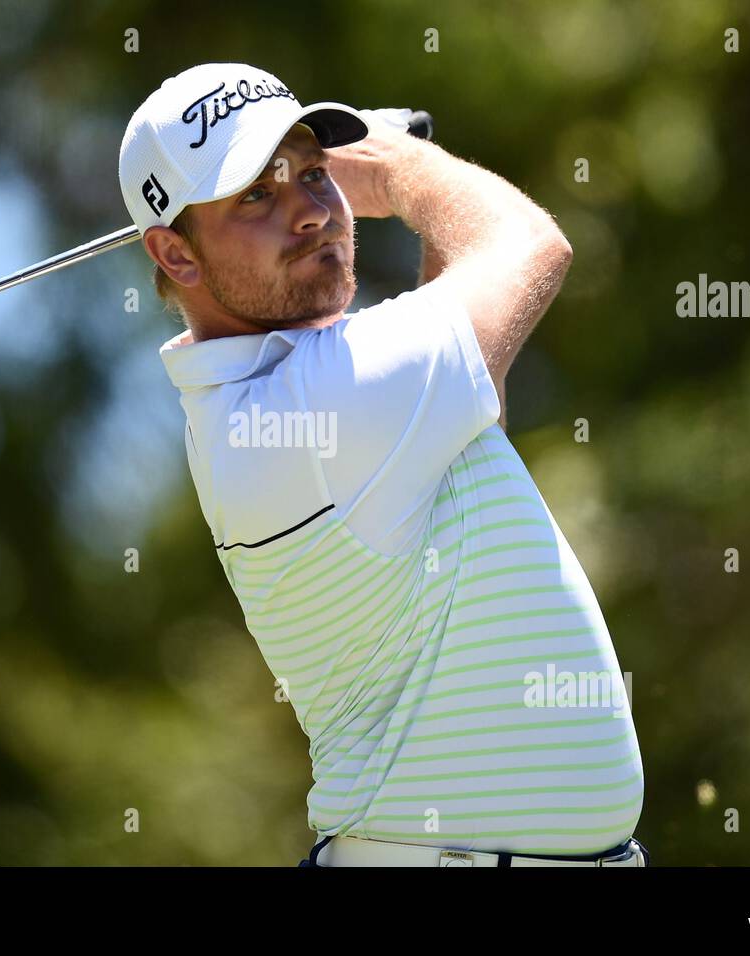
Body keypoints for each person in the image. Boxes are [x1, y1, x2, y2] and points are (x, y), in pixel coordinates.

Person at [118, 62, 648, 867]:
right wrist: (403, 168)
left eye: (313, 172)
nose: (309, 212)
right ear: (175, 255)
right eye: (256, 194)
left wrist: (412, 185)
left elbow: (476, 402)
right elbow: (532, 243)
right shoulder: (307, 409)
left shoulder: (292, 394)